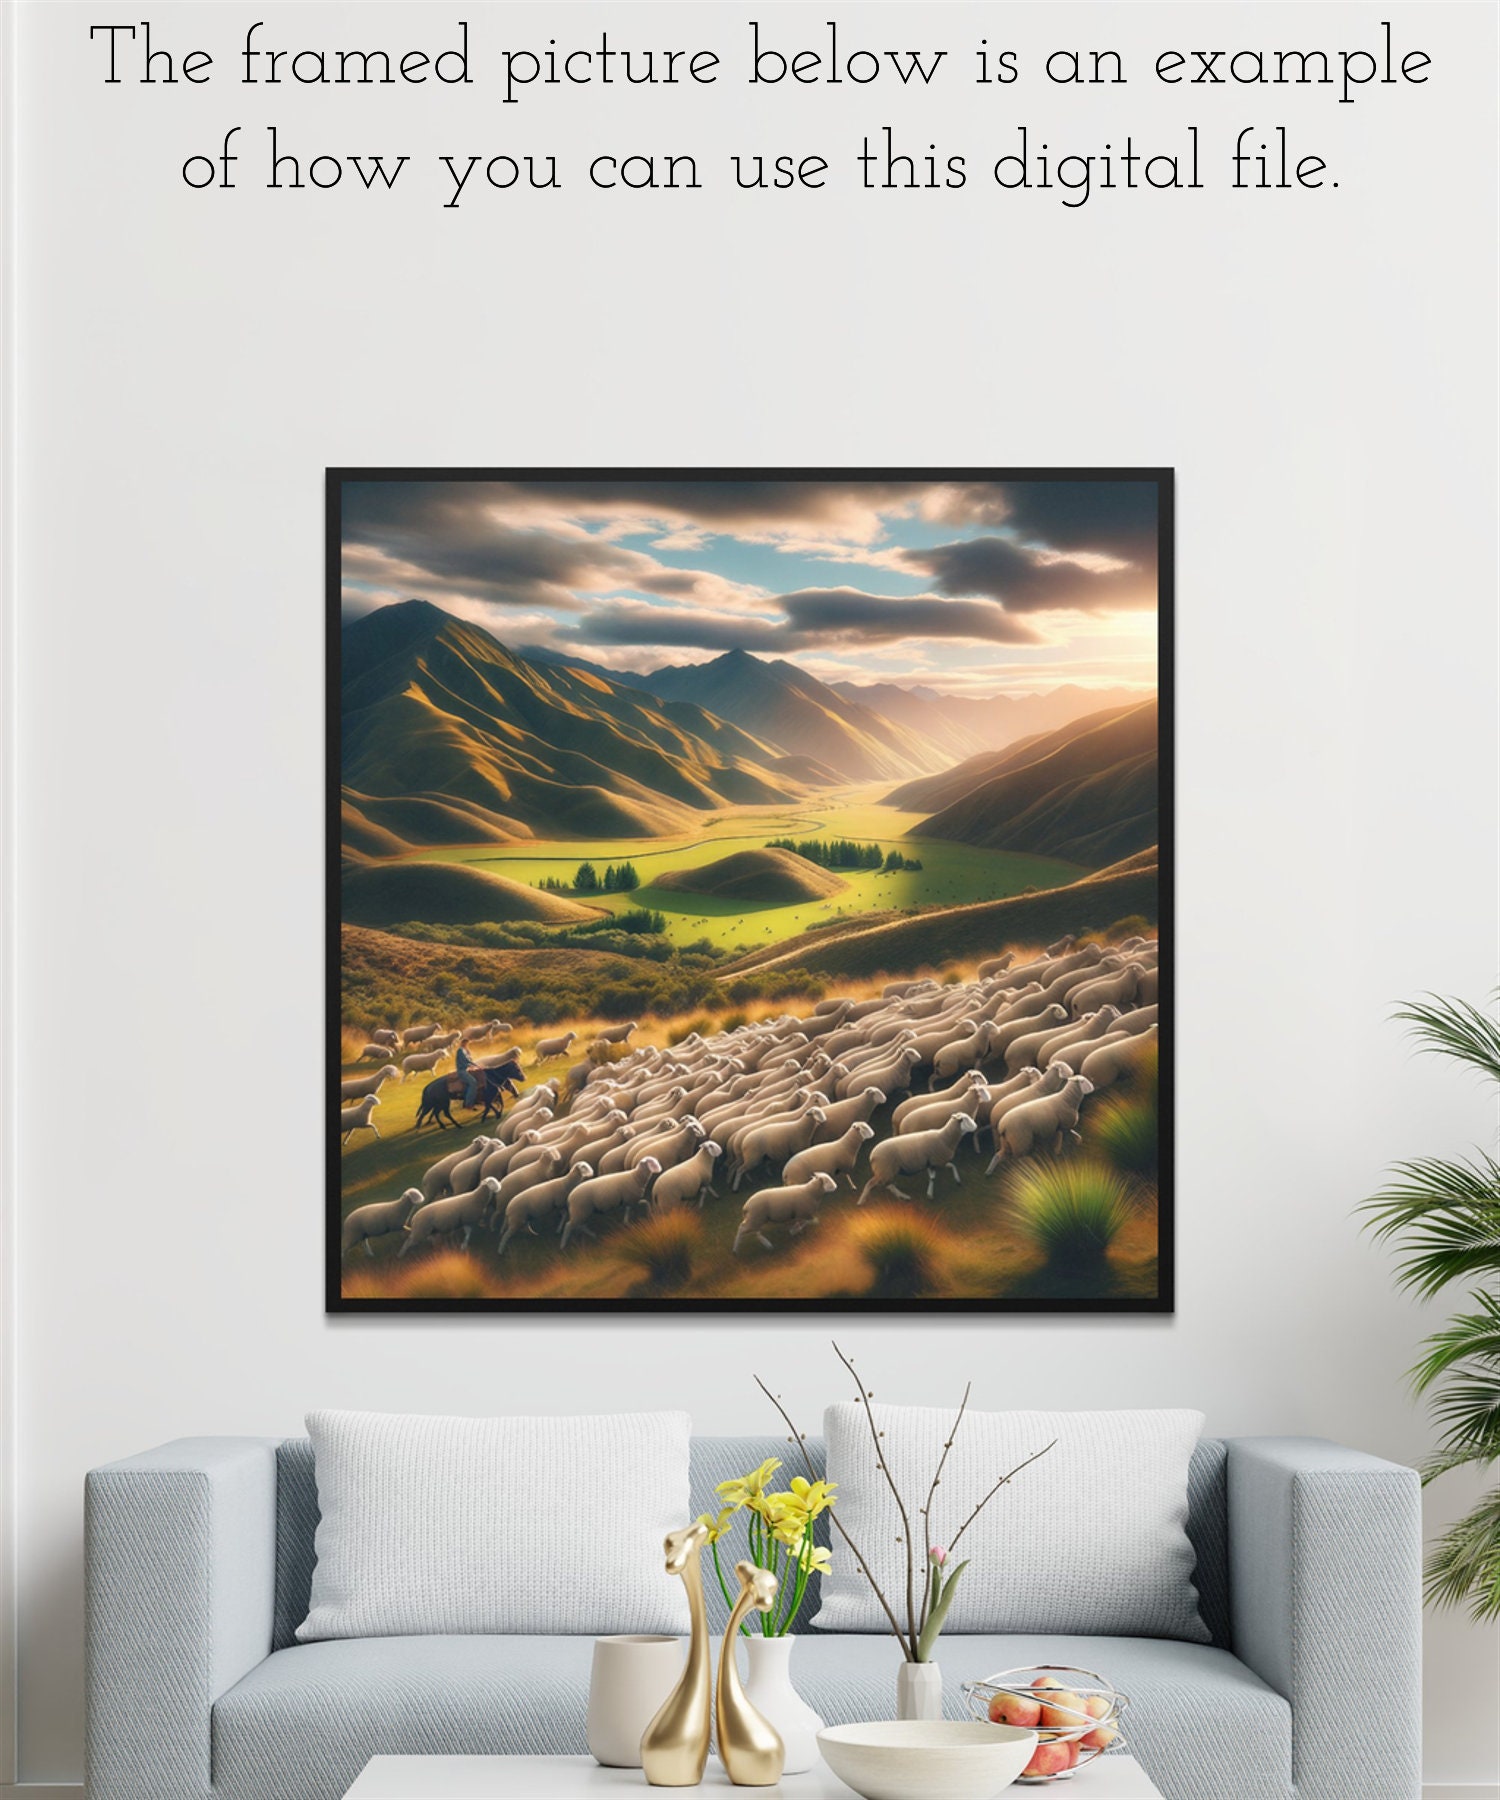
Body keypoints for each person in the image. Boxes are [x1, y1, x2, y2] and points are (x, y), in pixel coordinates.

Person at [455, 1043, 480, 1109]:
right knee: (473, 1082)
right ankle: (469, 1104)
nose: (468, 1045)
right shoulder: (460, 1051)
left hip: (465, 1070)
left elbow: (469, 1060)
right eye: (467, 1043)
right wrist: (475, 1065)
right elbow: (465, 1061)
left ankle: (469, 1101)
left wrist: (475, 1066)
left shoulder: (465, 1051)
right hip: (462, 1071)